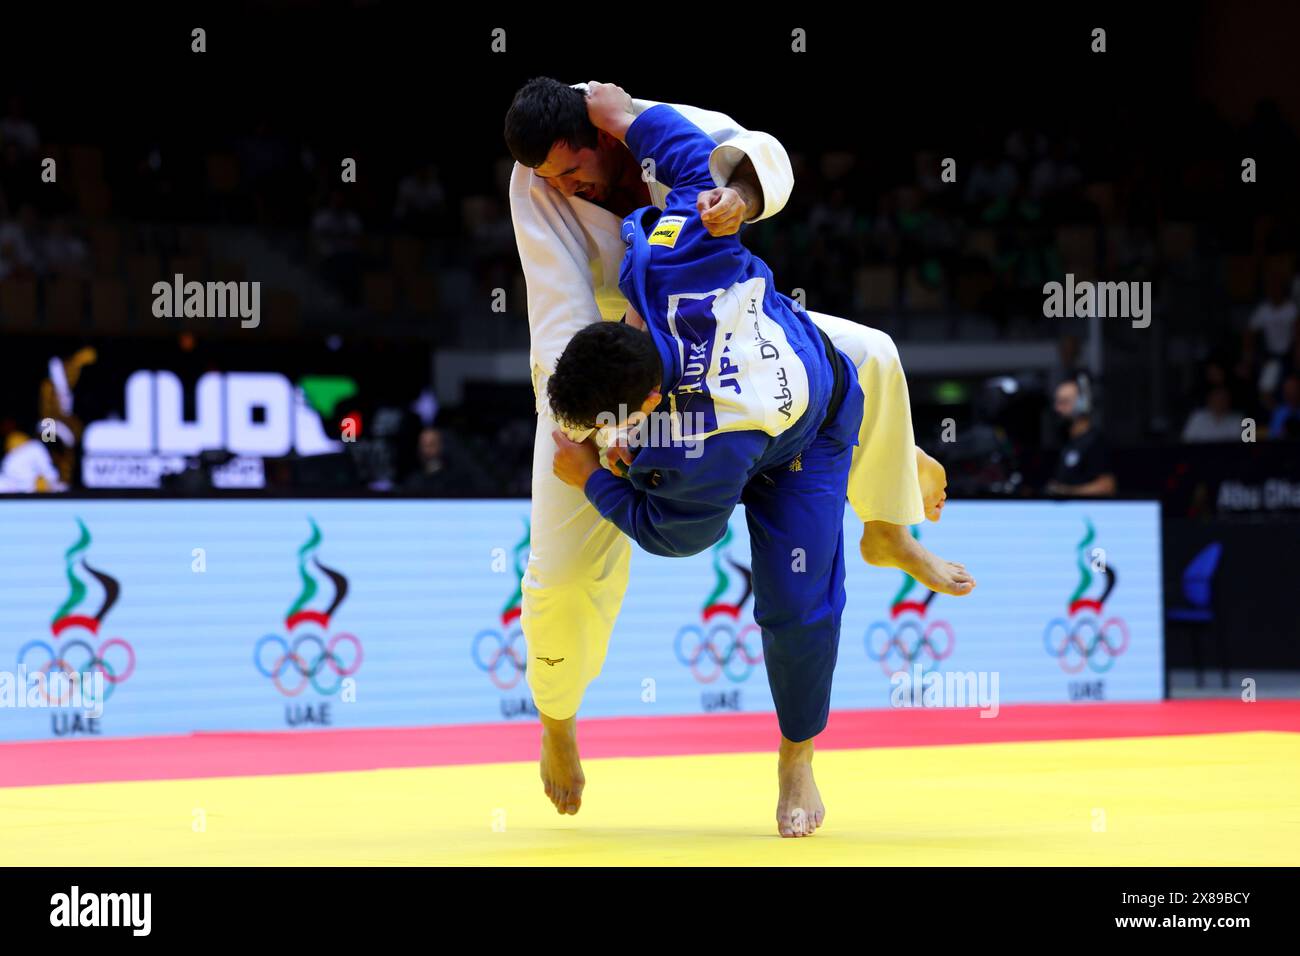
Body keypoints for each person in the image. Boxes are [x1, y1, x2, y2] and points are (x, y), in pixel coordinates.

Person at [503, 79, 960, 819]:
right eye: (552, 180)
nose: (564, 186)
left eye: (570, 171)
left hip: (719, 337)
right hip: (603, 378)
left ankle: (884, 523)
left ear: (598, 134)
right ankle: (557, 725)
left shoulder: (653, 125)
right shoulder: (535, 185)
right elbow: (558, 319)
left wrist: (740, 200)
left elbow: (760, 157)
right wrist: (603, 436)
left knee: (871, 352)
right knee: (557, 580)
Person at [1047, 376, 1116, 496]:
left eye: (1064, 402)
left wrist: (1066, 492)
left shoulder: (1095, 442)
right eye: (1057, 402)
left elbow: (1106, 486)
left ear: (1082, 404)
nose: (1057, 408)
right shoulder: (1068, 442)